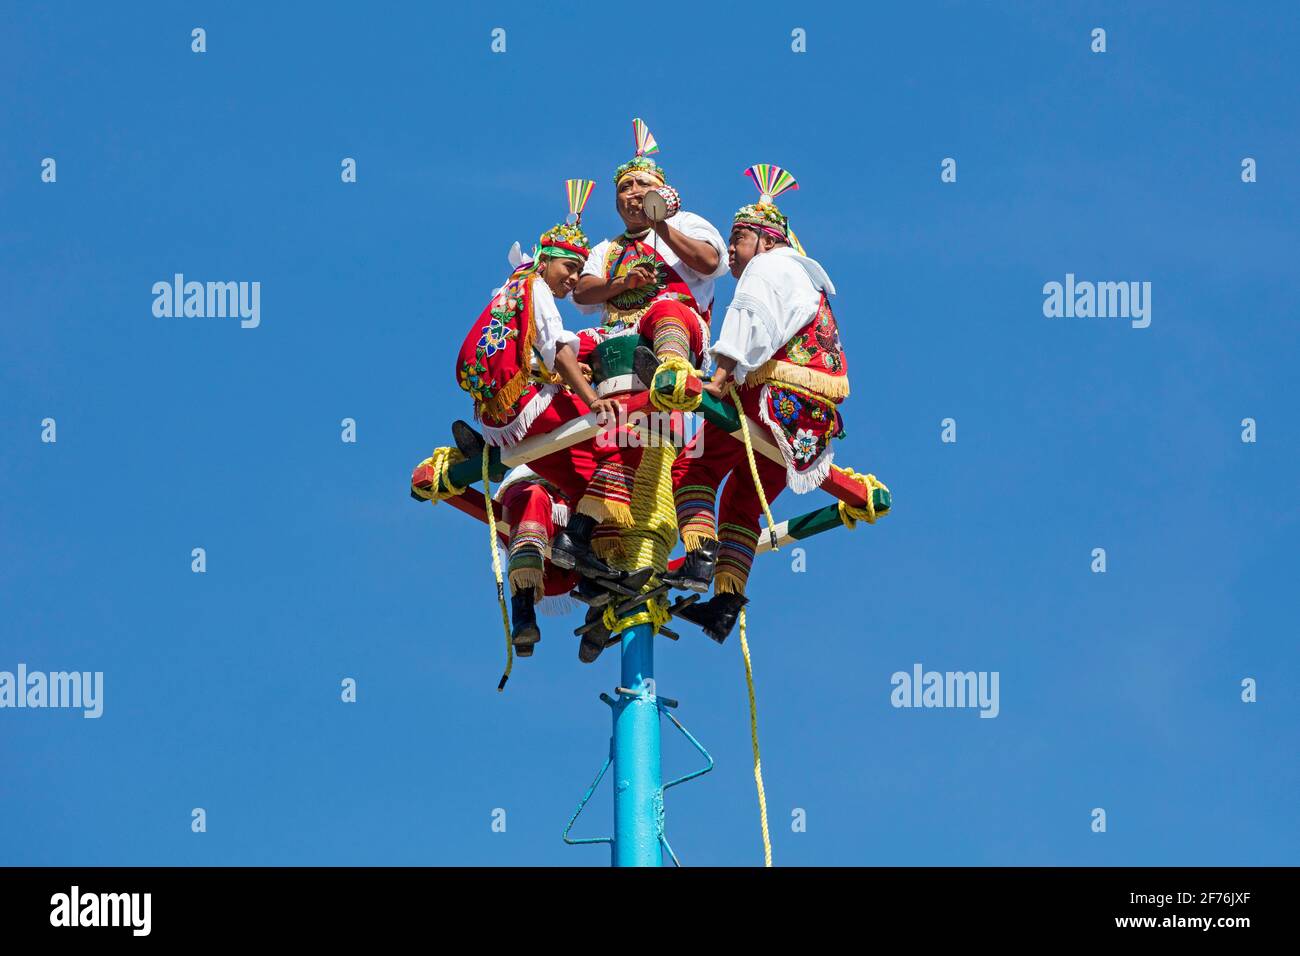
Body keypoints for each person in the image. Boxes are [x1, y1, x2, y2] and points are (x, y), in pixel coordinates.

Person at [663, 165, 849, 641]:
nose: (731, 249)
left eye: (738, 237)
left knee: (692, 467)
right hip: (810, 425)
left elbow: (751, 321)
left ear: (766, 239)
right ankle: (725, 604)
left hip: (768, 399)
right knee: (744, 501)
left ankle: (700, 559)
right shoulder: (809, 283)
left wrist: (719, 380)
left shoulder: (769, 267)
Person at [452, 180, 639, 580]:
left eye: (577, 272)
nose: (572, 280)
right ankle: (581, 539)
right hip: (529, 410)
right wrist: (592, 400)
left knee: (579, 478)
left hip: (497, 418)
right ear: (546, 260)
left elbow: (528, 355)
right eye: (569, 268)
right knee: (623, 443)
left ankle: (588, 567)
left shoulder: (511, 286)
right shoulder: (536, 288)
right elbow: (561, 349)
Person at [571, 119, 728, 372]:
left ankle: (671, 373)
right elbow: (582, 292)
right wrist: (624, 282)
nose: (634, 191)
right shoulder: (606, 248)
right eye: (625, 187)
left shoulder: (686, 222)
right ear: (616, 202)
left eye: (643, 184)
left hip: (678, 324)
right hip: (617, 332)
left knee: (666, 309)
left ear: (661, 192)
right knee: (568, 348)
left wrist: (658, 224)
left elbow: (709, 262)